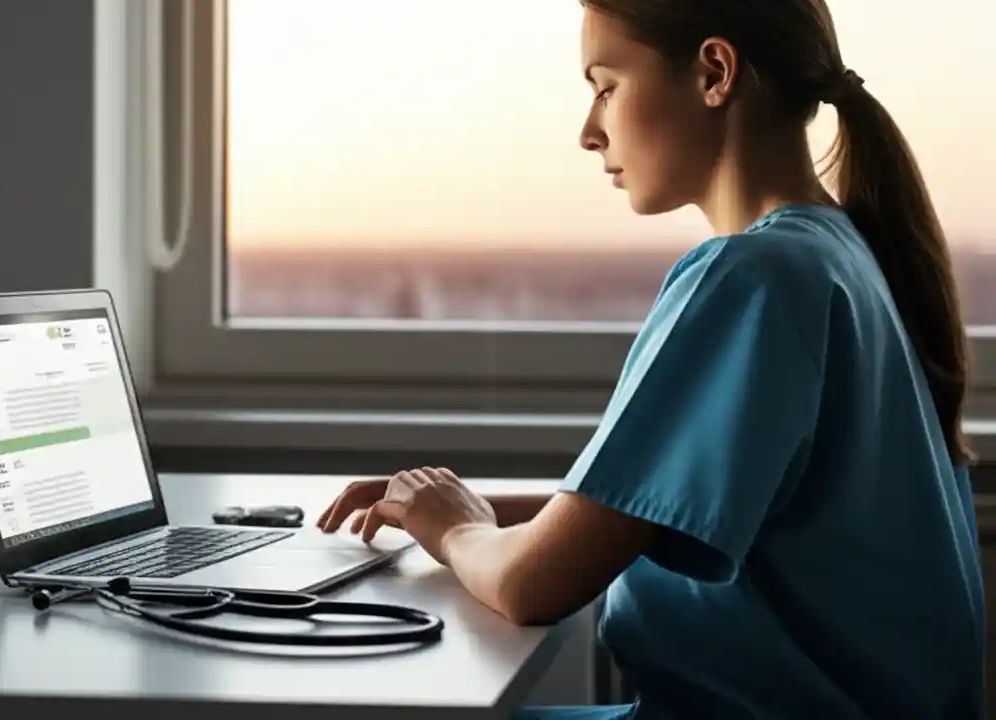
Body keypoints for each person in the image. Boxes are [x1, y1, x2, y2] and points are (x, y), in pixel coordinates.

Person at [315, 1, 984, 717]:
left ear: (714, 73)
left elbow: (531, 586)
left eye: (606, 85)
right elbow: (657, 517)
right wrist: (447, 508)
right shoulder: (839, 254)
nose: (587, 131)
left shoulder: (751, 279)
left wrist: (455, 530)